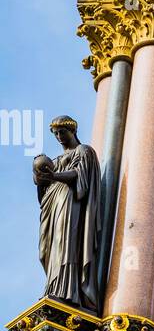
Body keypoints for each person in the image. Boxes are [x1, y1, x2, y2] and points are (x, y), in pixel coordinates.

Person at [34, 116, 101, 312]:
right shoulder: (55, 160)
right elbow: (43, 191)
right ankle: (53, 286)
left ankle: (67, 291)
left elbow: (79, 175)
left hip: (69, 201)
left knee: (66, 244)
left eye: (62, 132)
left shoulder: (83, 151)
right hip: (53, 204)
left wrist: (53, 176)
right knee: (48, 249)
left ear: (73, 131)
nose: (59, 137)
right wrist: (40, 178)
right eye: (56, 134)